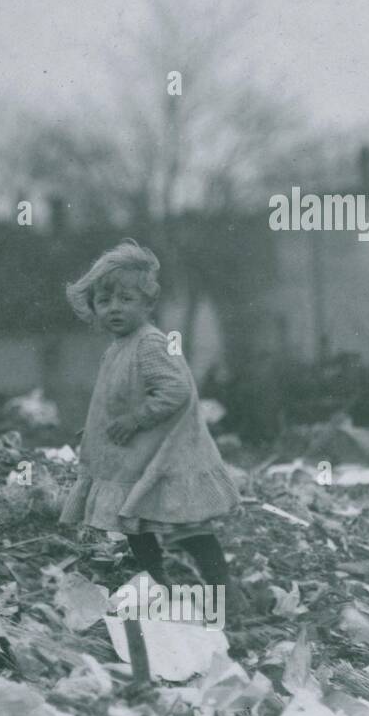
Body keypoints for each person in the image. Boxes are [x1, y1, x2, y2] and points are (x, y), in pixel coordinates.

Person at [61, 239, 245, 615]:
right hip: (137, 459)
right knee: (135, 525)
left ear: (147, 304)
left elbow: (175, 390)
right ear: (94, 309)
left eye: (126, 300)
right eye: (105, 301)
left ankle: (227, 597)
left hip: (168, 457)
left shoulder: (149, 344)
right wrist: (96, 434)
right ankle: (157, 585)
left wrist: (136, 419)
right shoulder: (118, 348)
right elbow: (113, 399)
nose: (114, 309)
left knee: (189, 528)